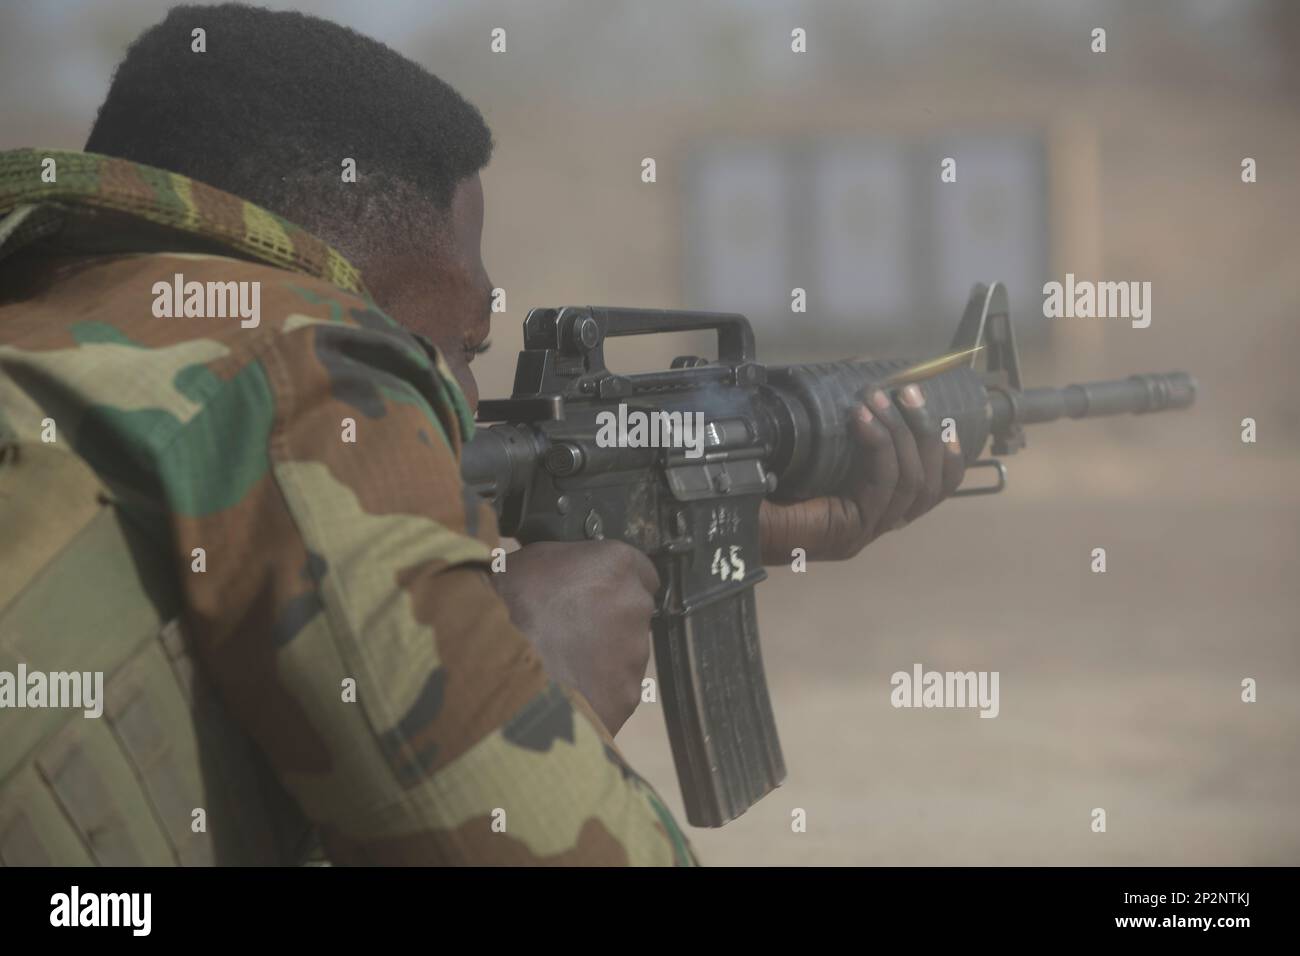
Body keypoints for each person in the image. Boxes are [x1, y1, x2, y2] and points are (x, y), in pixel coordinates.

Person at [0, 4, 962, 866]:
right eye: (462, 345)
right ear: (356, 280)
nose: (464, 394)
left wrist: (714, 533)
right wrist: (545, 691)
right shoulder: (304, 367)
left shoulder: (54, 336)